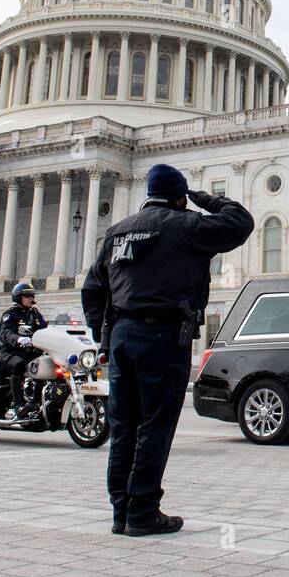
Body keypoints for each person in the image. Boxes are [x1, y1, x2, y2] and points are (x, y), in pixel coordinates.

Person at [83, 163, 253, 537]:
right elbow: (240, 222)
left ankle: (120, 512)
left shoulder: (117, 232)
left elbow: (93, 288)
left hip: (122, 337)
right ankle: (142, 511)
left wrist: (104, 334)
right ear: (178, 196)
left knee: (124, 426)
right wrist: (202, 197)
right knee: (155, 425)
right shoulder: (185, 226)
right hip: (161, 336)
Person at [0, 284, 48, 417]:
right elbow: (5, 333)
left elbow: (46, 330)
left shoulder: (36, 315)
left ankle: (37, 401)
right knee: (18, 364)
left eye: (32, 296)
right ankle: (17, 405)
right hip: (10, 353)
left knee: (45, 366)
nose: (31, 298)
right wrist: (18, 339)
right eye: (27, 296)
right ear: (18, 298)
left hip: (31, 353)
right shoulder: (11, 314)